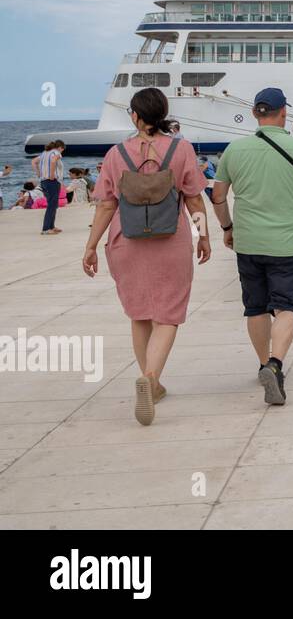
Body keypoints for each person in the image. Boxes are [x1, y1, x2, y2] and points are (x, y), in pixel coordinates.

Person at [82, 87, 211, 425]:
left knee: (139, 313)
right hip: (171, 242)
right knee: (167, 315)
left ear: (135, 116)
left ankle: (150, 382)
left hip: (127, 243)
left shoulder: (114, 155)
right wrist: (204, 236)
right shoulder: (181, 149)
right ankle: (151, 379)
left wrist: (91, 246)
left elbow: (106, 204)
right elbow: (195, 199)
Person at [210, 88, 293, 407]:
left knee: (255, 306)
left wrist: (227, 228)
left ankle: (262, 364)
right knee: (287, 305)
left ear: (256, 114)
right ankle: (276, 364)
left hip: (248, 242)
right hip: (289, 243)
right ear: (283, 113)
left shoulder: (235, 149)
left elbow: (217, 196)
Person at [32, 140, 66, 235]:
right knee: (52, 205)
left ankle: (51, 226)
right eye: (62, 150)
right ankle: (46, 229)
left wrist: (38, 172)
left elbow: (33, 161)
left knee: (53, 204)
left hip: (43, 181)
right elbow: (54, 161)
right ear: (60, 147)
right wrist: (51, 174)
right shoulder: (56, 152)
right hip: (52, 181)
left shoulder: (44, 153)